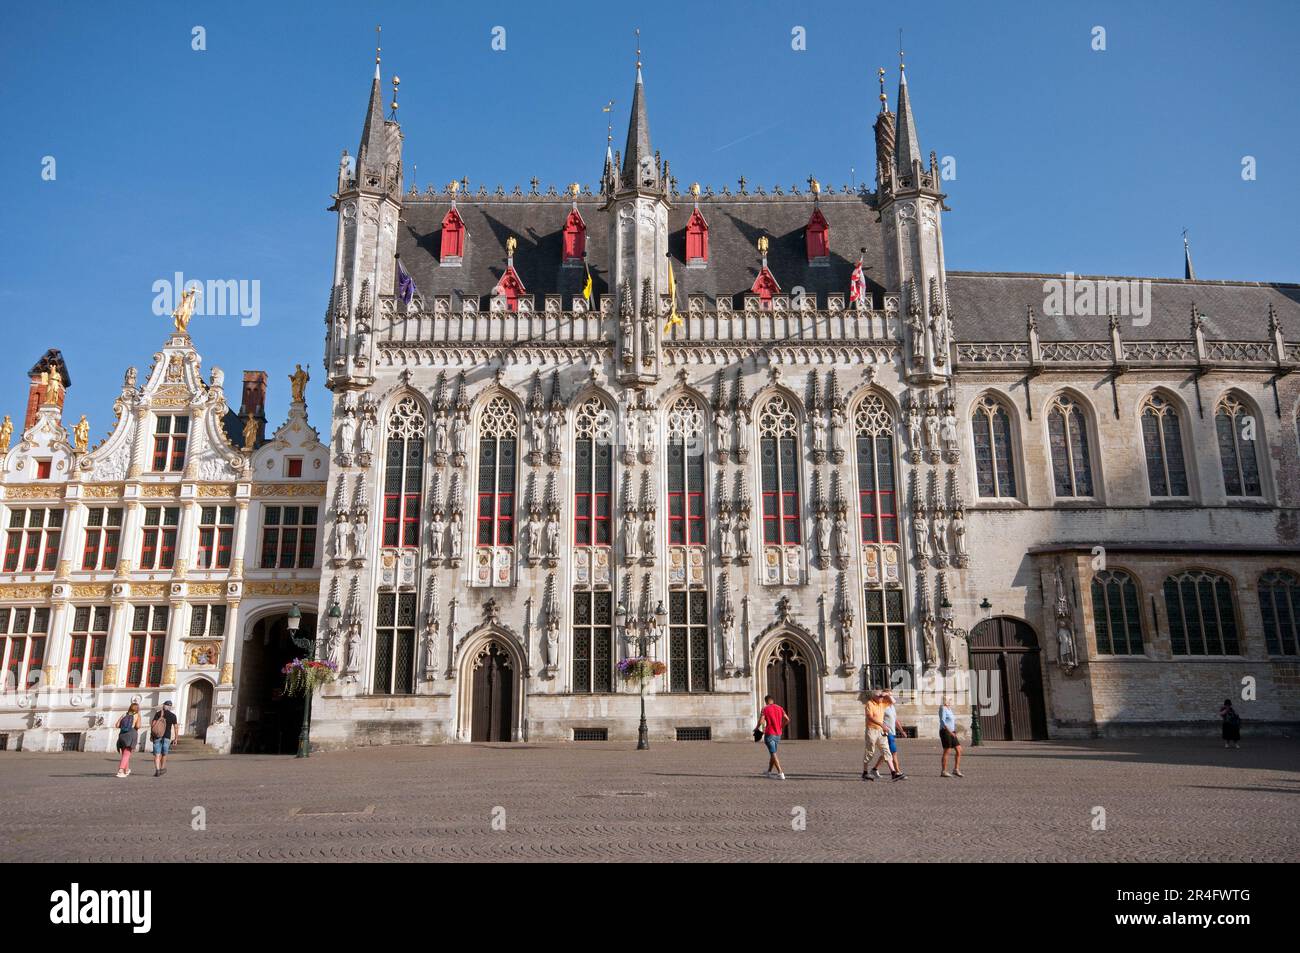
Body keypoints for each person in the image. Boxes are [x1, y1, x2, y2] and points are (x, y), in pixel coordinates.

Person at [756, 694, 789, 780]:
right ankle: (769, 771)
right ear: (772, 700)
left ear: (766, 701)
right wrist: (781, 726)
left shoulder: (765, 709)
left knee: (773, 753)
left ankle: (780, 773)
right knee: (772, 753)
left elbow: (761, 720)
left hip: (769, 733)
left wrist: (757, 727)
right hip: (778, 734)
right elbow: (787, 719)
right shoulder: (780, 708)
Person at [862, 690, 892, 781]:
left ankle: (894, 772)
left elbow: (893, 701)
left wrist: (886, 694)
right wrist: (882, 725)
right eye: (879, 696)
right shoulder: (870, 704)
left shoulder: (882, 703)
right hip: (871, 730)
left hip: (880, 731)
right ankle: (865, 772)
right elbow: (870, 717)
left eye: (881, 697)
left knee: (886, 750)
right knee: (870, 751)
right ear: (873, 697)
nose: (881, 698)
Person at [877, 691, 907, 780]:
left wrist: (901, 731)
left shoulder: (892, 707)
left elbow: (895, 720)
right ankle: (897, 771)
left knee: (886, 753)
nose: (891, 697)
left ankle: (875, 769)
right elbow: (878, 719)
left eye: (891, 695)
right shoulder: (882, 707)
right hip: (886, 733)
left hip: (892, 732)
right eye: (889, 695)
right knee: (893, 752)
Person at [150, 700, 179, 777]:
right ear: (170, 707)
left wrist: (151, 734)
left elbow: (153, 725)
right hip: (167, 737)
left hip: (157, 736)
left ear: (163, 705)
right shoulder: (173, 716)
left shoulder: (158, 713)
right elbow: (176, 727)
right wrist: (176, 738)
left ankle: (157, 770)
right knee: (164, 754)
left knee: (157, 754)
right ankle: (162, 768)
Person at [939, 697, 964, 778]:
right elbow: (942, 721)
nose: (950, 701)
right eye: (949, 700)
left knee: (959, 750)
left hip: (952, 732)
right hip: (945, 732)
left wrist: (953, 731)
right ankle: (944, 771)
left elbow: (951, 721)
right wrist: (950, 732)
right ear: (945, 701)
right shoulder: (943, 708)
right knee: (947, 751)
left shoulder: (949, 709)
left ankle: (956, 769)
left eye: (950, 700)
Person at [114, 702, 141, 778]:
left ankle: (126, 770)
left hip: (122, 734)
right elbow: (138, 726)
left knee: (124, 754)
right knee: (127, 753)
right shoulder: (137, 715)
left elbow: (117, 725)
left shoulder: (125, 714)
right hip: (131, 734)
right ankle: (120, 770)